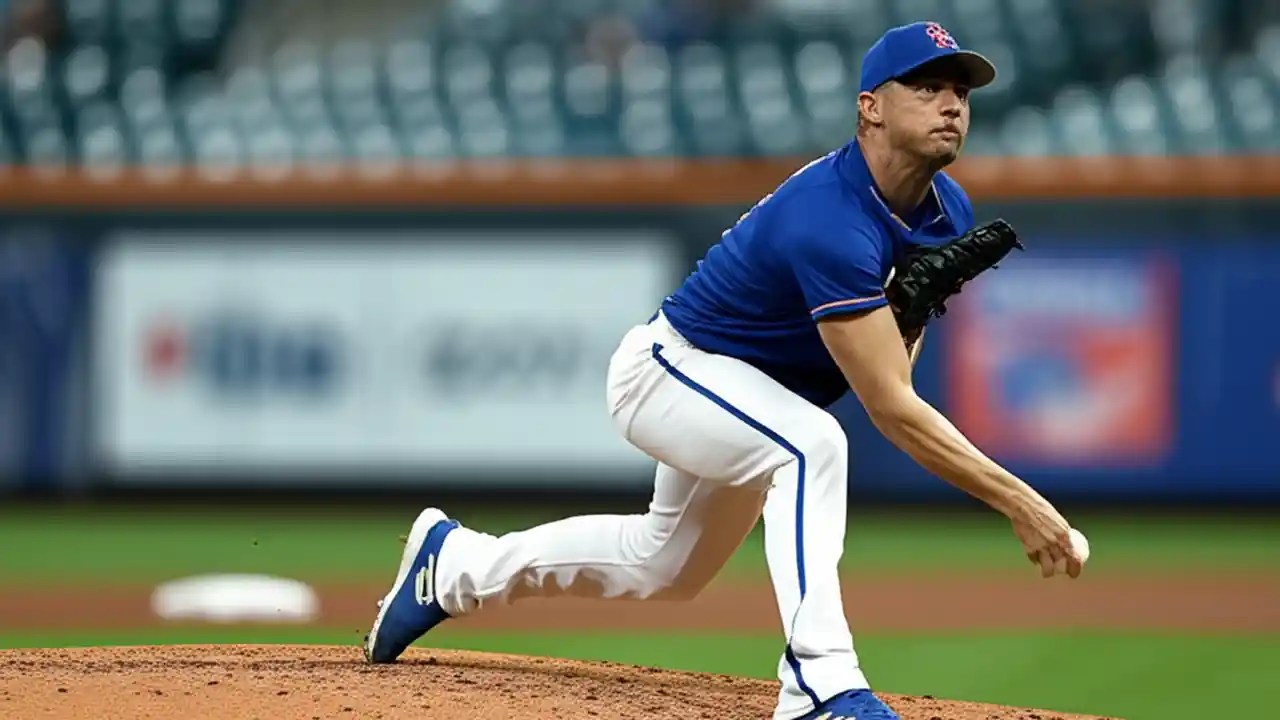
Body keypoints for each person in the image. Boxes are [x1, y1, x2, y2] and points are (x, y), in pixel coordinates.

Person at [364, 21, 1086, 720]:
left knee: (663, 567)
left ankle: (454, 566)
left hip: (748, 396)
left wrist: (907, 313)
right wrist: (1020, 501)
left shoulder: (944, 209)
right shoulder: (830, 217)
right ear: (870, 108)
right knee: (812, 445)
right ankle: (820, 685)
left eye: (961, 90)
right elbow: (890, 407)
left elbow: (891, 366)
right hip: (671, 371)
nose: (952, 103)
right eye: (926, 86)